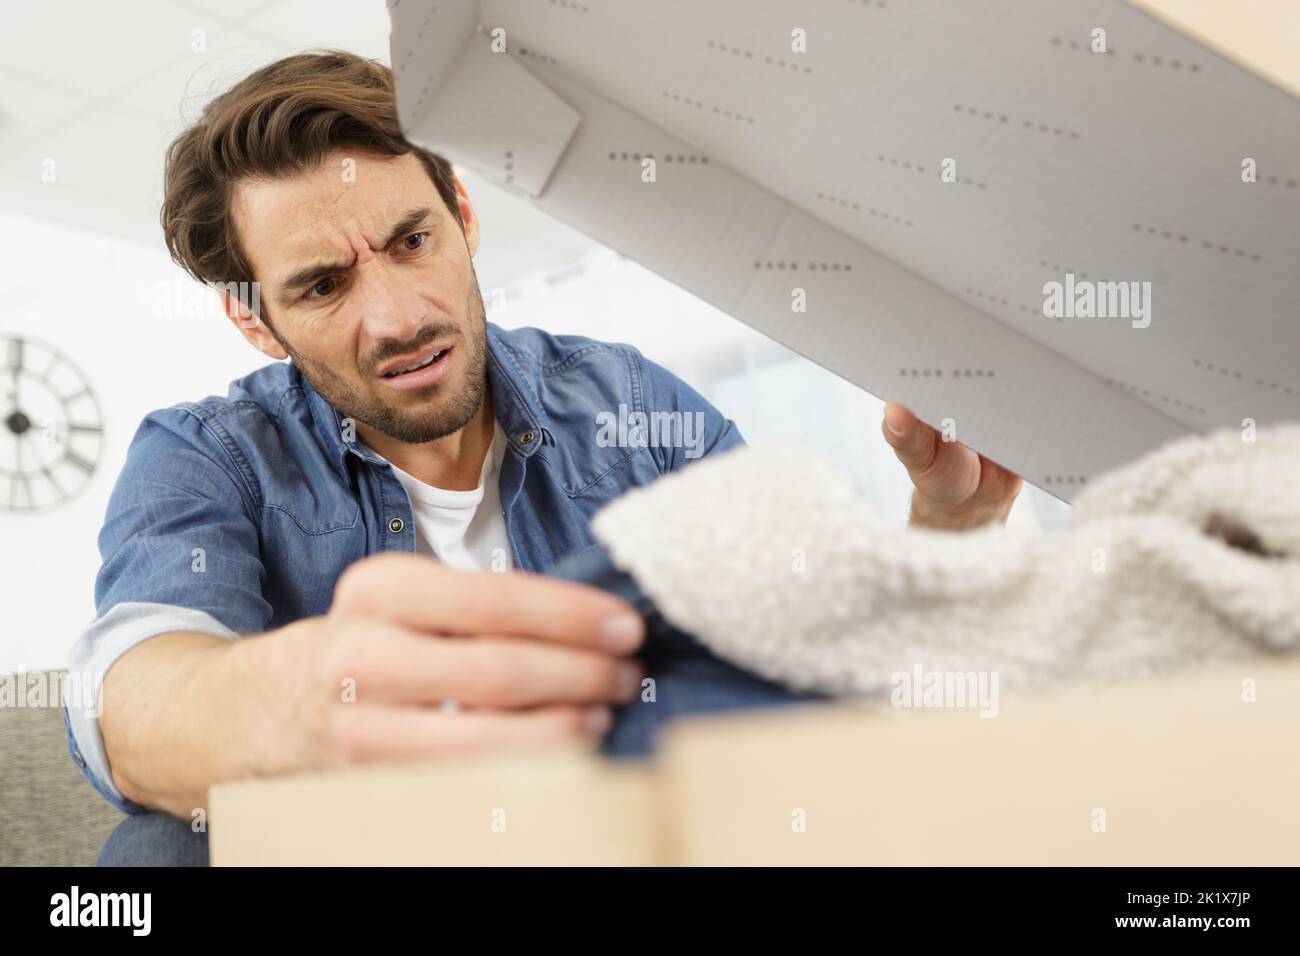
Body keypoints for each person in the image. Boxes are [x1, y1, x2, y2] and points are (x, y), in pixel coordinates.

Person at [72, 51, 1021, 865]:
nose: (401, 318)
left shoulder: (625, 400)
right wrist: (293, 705)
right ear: (253, 317)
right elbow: (137, 694)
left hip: (612, 834)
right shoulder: (208, 455)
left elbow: (812, 647)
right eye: (322, 286)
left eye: (413, 240)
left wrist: (952, 527)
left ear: (465, 217)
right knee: (166, 845)